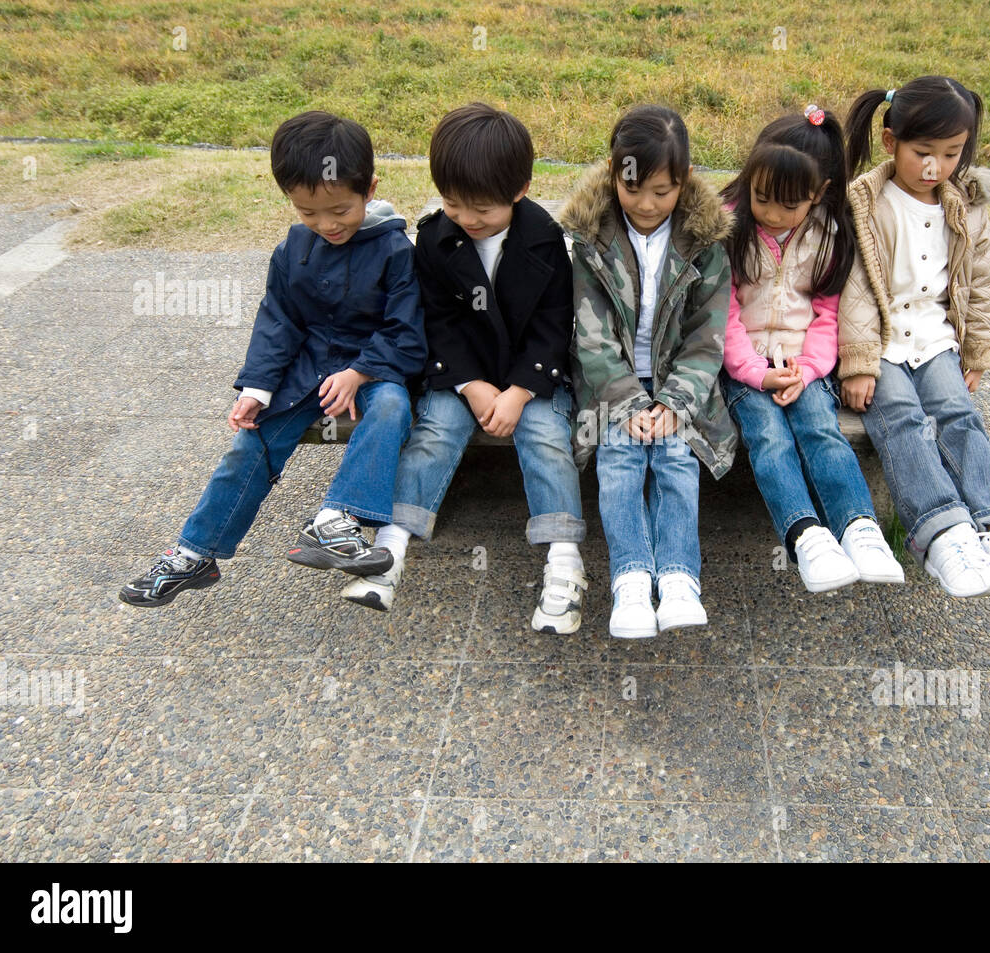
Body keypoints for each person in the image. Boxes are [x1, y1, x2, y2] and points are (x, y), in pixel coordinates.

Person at [120, 110, 424, 607]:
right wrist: (257, 388)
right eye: (308, 213)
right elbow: (278, 321)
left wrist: (360, 371)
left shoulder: (395, 250)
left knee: (391, 409)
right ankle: (196, 552)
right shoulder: (293, 247)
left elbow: (406, 332)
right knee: (251, 441)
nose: (326, 225)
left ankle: (337, 518)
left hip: (376, 370)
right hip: (306, 372)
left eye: (339, 211)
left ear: (370, 189)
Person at [343, 103, 589, 632]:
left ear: (520, 190)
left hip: (531, 375)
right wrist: (471, 385)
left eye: (481, 208)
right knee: (435, 431)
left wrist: (520, 391)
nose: (468, 219)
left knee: (547, 435)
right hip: (459, 373)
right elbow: (436, 320)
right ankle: (389, 552)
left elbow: (554, 324)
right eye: (454, 204)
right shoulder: (435, 238)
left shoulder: (544, 239)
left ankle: (564, 561)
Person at [839, 76, 990, 599]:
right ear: (891, 142)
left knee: (958, 415)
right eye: (923, 152)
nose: (936, 166)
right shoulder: (867, 202)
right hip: (884, 343)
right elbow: (855, 290)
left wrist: (978, 351)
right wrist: (859, 361)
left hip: (936, 338)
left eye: (952, 153)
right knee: (903, 420)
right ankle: (945, 536)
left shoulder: (966, 207)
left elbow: (978, 286)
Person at [561, 105, 736, 639]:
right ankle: (631, 578)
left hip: (680, 386)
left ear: (682, 182)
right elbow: (591, 337)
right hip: (609, 385)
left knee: (676, 455)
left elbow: (708, 338)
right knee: (617, 456)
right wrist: (629, 402)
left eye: (663, 191)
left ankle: (680, 578)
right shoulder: (593, 241)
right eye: (633, 188)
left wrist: (676, 402)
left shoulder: (704, 244)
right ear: (615, 174)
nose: (645, 204)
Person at [721, 105, 905, 595]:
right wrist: (755, 373)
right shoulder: (731, 230)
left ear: (818, 192)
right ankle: (805, 535)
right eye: (763, 199)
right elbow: (724, 314)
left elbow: (828, 314)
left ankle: (859, 527)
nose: (774, 214)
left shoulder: (830, 235)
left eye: (789, 204)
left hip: (805, 365)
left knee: (820, 428)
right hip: (747, 369)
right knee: (768, 435)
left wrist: (807, 369)